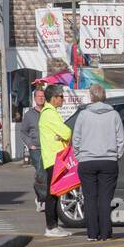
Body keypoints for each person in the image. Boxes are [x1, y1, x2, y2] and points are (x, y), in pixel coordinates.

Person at [72, 84, 124, 242]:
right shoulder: (114, 115)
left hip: (87, 161)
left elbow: (76, 139)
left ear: (91, 97)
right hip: (108, 161)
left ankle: (92, 233)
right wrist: (116, 156)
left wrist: (79, 156)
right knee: (105, 198)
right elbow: (120, 139)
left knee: (90, 198)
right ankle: (106, 233)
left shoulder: (83, 115)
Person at [40, 84, 74, 238]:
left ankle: (53, 225)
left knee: (55, 192)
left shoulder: (50, 112)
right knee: (52, 193)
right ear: (53, 98)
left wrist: (61, 136)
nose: (63, 99)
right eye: (61, 96)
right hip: (54, 158)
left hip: (55, 157)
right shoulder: (49, 113)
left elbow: (63, 134)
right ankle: (51, 226)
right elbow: (67, 132)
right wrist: (62, 136)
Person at [20, 87, 49, 213]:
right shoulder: (29, 115)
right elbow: (23, 132)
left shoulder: (49, 112)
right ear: (35, 98)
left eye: (43, 96)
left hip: (49, 148)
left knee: (47, 174)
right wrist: (30, 144)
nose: (41, 98)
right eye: (39, 96)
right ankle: (41, 199)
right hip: (36, 149)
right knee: (41, 174)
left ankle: (45, 198)